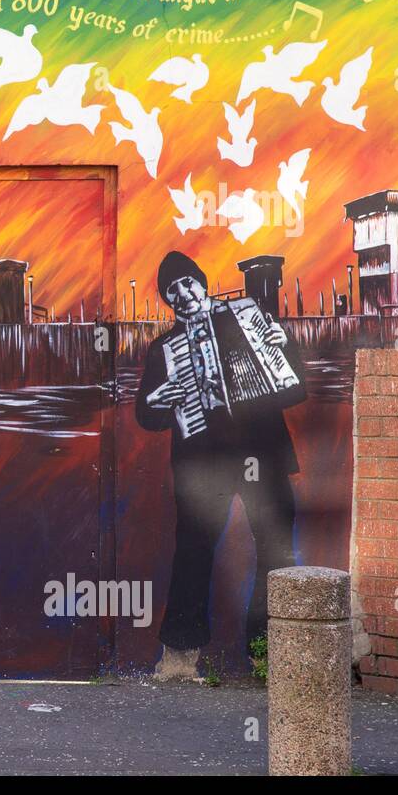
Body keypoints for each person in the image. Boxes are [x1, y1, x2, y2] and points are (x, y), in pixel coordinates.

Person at [135, 251, 308, 679]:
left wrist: (286, 349)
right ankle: (178, 657)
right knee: (193, 553)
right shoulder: (164, 349)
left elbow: (293, 387)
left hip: (260, 454)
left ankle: (268, 651)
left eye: (187, 283)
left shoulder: (249, 317)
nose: (182, 294)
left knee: (276, 549)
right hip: (203, 462)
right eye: (172, 291)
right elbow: (147, 413)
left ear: (203, 282)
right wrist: (156, 401)